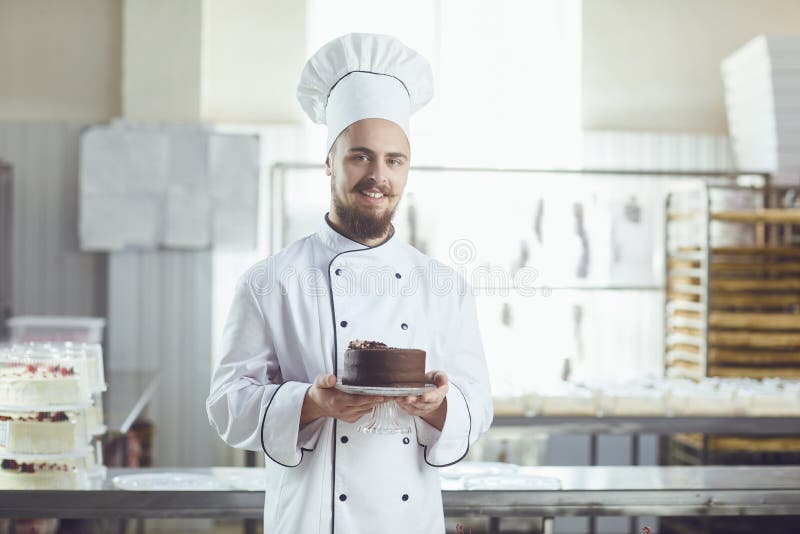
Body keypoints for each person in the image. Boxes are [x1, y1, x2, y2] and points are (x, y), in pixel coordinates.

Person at [207, 33, 493, 534]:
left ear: (406, 169)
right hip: (312, 520)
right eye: (360, 156)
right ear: (329, 162)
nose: (377, 176)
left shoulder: (443, 286)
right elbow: (227, 407)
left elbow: (479, 408)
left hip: (410, 520)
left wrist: (438, 404)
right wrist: (312, 403)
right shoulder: (269, 281)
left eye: (393, 160)